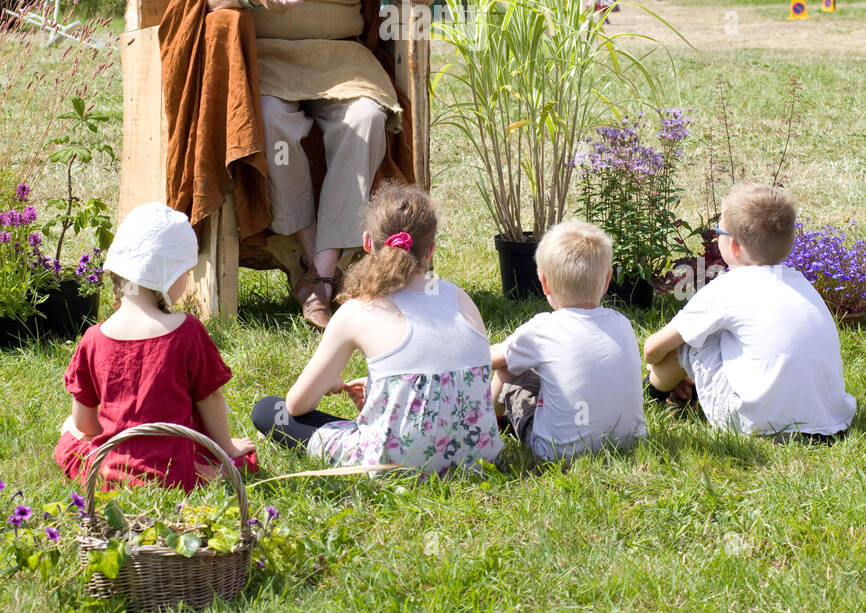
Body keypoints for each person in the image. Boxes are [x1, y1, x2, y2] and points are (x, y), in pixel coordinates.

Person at [161, 0, 436, 329]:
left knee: (367, 121)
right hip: (269, 63)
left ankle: (320, 274)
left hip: (343, 61)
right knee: (271, 123)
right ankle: (317, 267)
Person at [251, 184, 503, 476]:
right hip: (479, 457)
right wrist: (379, 391)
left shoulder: (358, 310)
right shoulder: (461, 299)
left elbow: (296, 406)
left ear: (367, 243)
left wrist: (331, 381)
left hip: (394, 463)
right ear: (431, 249)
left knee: (269, 411)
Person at [54, 203, 258, 492]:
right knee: (241, 457)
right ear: (169, 275)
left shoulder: (93, 339)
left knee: (69, 434)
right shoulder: (186, 331)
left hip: (111, 475)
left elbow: (86, 425)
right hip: (178, 475)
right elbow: (210, 397)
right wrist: (227, 446)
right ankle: (213, 467)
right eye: (185, 273)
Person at [643, 183, 856, 441]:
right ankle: (685, 383)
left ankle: (653, 391)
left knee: (690, 339)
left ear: (733, 245)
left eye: (717, 231)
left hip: (757, 426)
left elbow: (653, 350)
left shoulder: (728, 287)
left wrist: (666, 366)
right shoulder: (803, 285)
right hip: (830, 422)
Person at [490, 221, 646, 459]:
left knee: (508, 367)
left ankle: (491, 426)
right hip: (630, 443)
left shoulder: (543, 328)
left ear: (544, 283)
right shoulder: (623, 323)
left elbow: (493, 359)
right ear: (607, 280)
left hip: (556, 451)